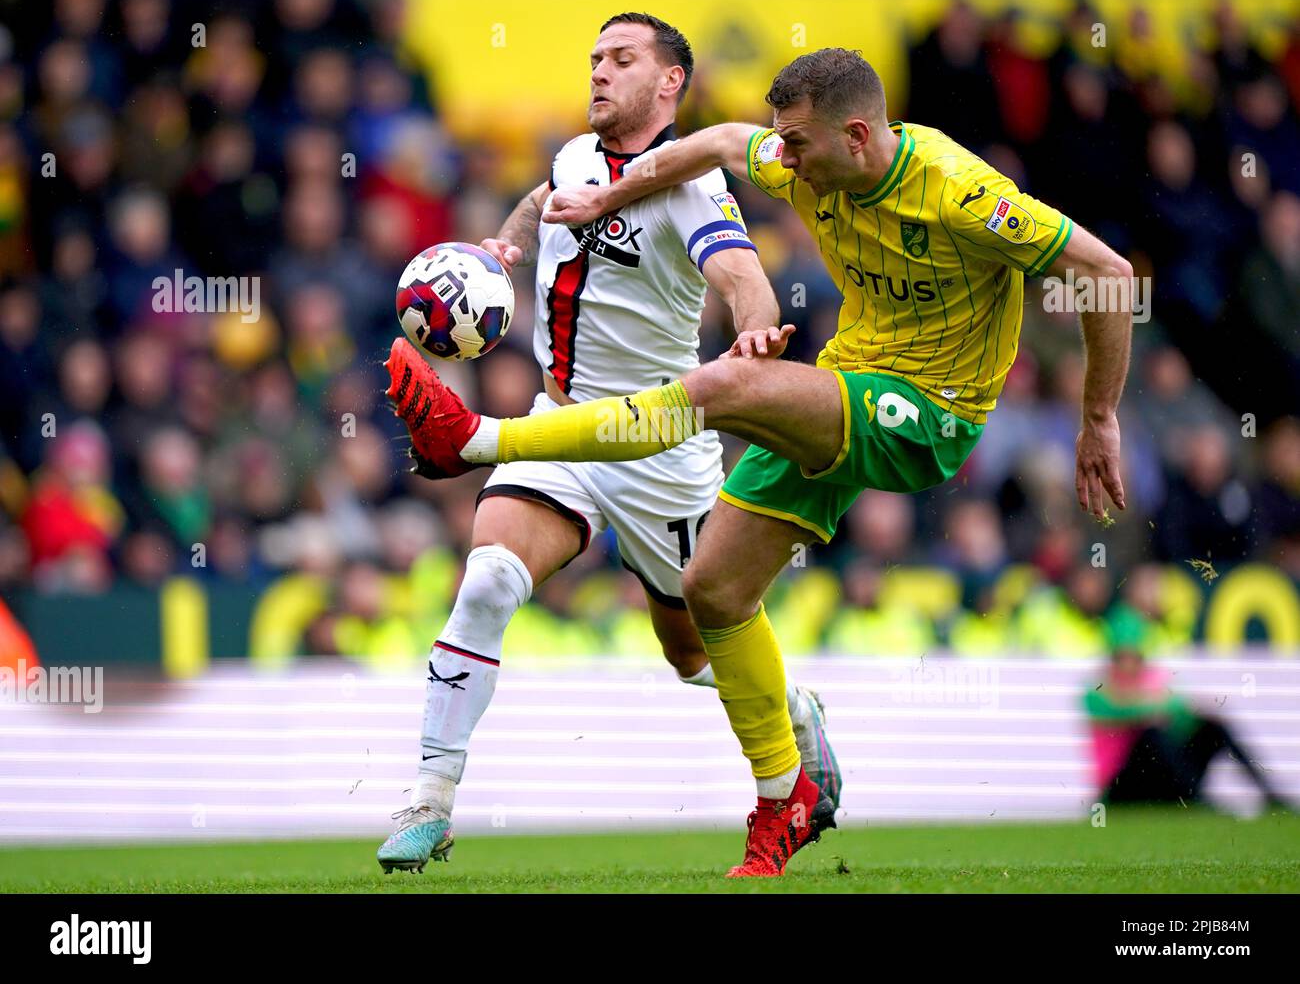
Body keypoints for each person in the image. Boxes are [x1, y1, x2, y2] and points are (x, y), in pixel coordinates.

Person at [385, 47, 1133, 875]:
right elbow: (715, 143)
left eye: (798, 146)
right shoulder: (785, 157)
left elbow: (1107, 271)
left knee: (724, 386)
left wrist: (1096, 414)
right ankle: (785, 794)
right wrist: (607, 196)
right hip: (829, 389)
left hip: (927, 413)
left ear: (856, 136)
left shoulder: (960, 191)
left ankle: (478, 439)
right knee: (715, 593)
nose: (783, 162)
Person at [377, 14, 839, 876]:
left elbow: (745, 280)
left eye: (621, 60)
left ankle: (796, 710)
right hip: (561, 423)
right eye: (594, 57)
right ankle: (429, 803)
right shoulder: (575, 156)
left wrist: (754, 335)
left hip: (660, 445)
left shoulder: (692, 187)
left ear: (670, 85)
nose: (597, 72)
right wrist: (508, 245)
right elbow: (543, 194)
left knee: (694, 652)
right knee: (485, 581)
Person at [1084, 640, 1291, 810]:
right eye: (1123, 658)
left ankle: (1269, 794)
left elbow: (1181, 709)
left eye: (1134, 657)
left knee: (1212, 727)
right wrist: (1154, 705)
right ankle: (1196, 797)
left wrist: (1155, 705)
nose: (1129, 664)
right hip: (1122, 785)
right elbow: (1119, 710)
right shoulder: (1098, 686)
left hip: (1162, 781)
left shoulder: (1148, 681)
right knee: (1150, 733)